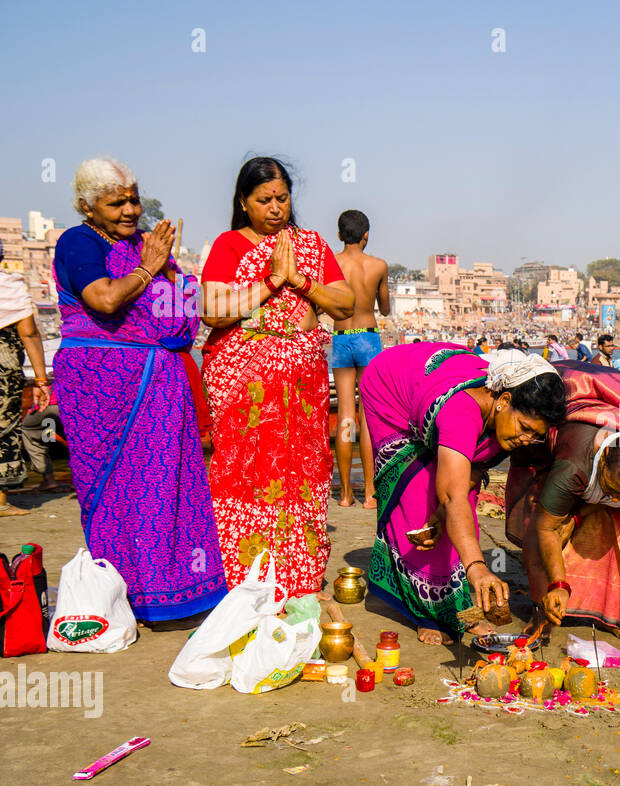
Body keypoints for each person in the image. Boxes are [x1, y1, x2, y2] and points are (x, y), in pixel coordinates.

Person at [53, 155, 226, 619]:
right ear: (87, 206)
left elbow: (178, 324)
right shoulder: (77, 241)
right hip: (101, 388)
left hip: (159, 383)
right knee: (112, 490)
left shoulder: (148, 248)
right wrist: (150, 268)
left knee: (165, 486)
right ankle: (122, 591)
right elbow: (104, 298)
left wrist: (171, 273)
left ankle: (172, 589)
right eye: (117, 203)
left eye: (133, 199)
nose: (130, 210)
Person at [201, 156, 356, 598]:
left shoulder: (309, 244)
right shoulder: (229, 245)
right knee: (244, 474)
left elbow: (343, 306)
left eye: (282, 198)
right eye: (264, 199)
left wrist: (301, 281)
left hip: (301, 385)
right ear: (244, 203)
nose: (275, 208)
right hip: (244, 385)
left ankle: (297, 575)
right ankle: (244, 577)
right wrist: (271, 282)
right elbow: (212, 310)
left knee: (303, 472)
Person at [360, 344, 566, 644]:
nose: (526, 439)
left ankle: (457, 606)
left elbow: (466, 483)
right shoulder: (461, 412)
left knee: (455, 508)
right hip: (391, 386)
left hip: (437, 386)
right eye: (524, 427)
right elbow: (452, 495)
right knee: (418, 491)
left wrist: (442, 516)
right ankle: (427, 611)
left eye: (535, 434)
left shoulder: (502, 426)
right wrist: (478, 567)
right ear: (504, 400)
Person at [506, 360, 620, 642]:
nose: (611, 498)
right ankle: (541, 608)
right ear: (604, 456)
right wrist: (559, 585)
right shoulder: (573, 464)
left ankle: (611, 613)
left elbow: (618, 496)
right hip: (567, 399)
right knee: (540, 519)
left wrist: (581, 514)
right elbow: (546, 527)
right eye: (609, 489)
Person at [332, 209, 388, 510]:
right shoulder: (378, 265)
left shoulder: (332, 264)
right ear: (367, 234)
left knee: (345, 416)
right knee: (368, 417)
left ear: (340, 235)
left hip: (341, 338)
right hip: (368, 337)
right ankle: (369, 493)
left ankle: (344, 494)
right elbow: (386, 307)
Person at [0, 241, 53, 515]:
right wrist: (41, 381)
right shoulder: (9, 287)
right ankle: (0, 502)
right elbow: (29, 333)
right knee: (4, 429)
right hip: (4, 369)